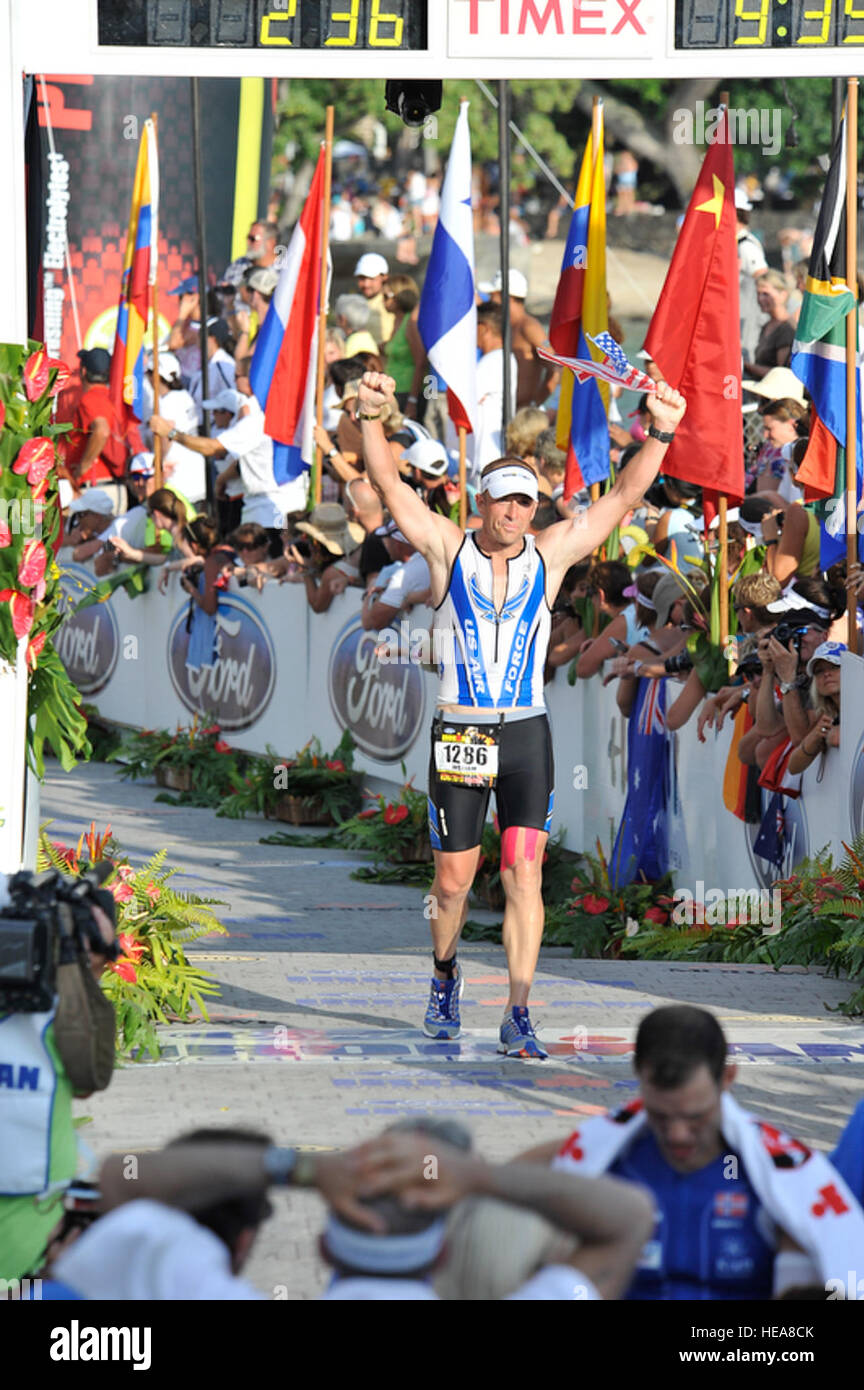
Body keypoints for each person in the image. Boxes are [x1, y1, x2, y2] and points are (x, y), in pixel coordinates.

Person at [356, 369, 686, 1058]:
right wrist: (368, 416)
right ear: (482, 501)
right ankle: (445, 974)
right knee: (453, 882)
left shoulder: (551, 553)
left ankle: (519, 1009)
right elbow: (390, 487)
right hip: (461, 730)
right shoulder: (448, 547)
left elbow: (625, 496)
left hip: (525, 731)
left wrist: (659, 427)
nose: (514, 514)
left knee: (523, 872)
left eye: (525, 505)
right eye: (504, 502)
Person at [518, 1004, 864, 1300]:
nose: (678, 1135)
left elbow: (839, 1269)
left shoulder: (788, 1176)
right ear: (638, 1076)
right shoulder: (585, 1155)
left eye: (696, 1117)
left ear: (728, 1077)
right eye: (661, 1116)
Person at [63, 348, 130, 508]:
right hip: (113, 486)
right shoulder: (115, 400)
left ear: (83, 371)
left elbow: (102, 430)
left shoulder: (91, 399)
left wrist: (82, 468)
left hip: (95, 489)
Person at [487, 269, 559, 409]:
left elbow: (555, 369)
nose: (490, 300)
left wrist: (534, 405)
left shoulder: (529, 327)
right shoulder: (504, 326)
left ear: (508, 298)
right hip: (503, 412)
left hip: (522, 413)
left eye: (493, 296)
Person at [353, 252, 393, 348]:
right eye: (362, 278)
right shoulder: (355, 303)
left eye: (371, 278)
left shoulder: (392, 303)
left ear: (384, 277)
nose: (366, 284)